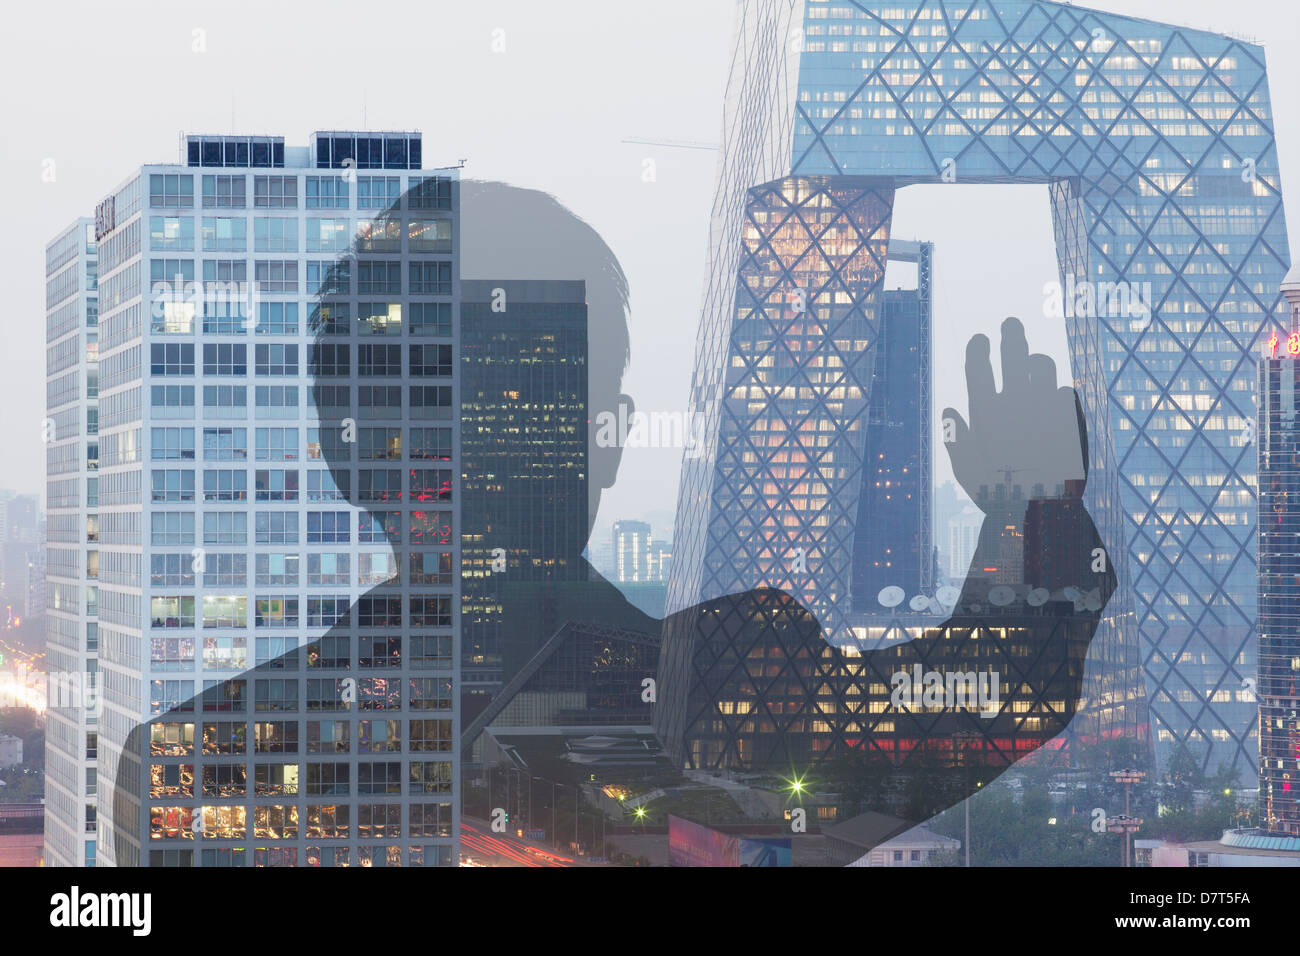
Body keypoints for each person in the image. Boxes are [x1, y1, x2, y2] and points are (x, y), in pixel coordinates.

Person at [110, 177, 1111, 865]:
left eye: (505, 387)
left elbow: (968, 705)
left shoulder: (201, 754)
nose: (454, 440)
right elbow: (982, 698)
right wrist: (1028, 509)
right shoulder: (735, 680)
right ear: (611, 434)